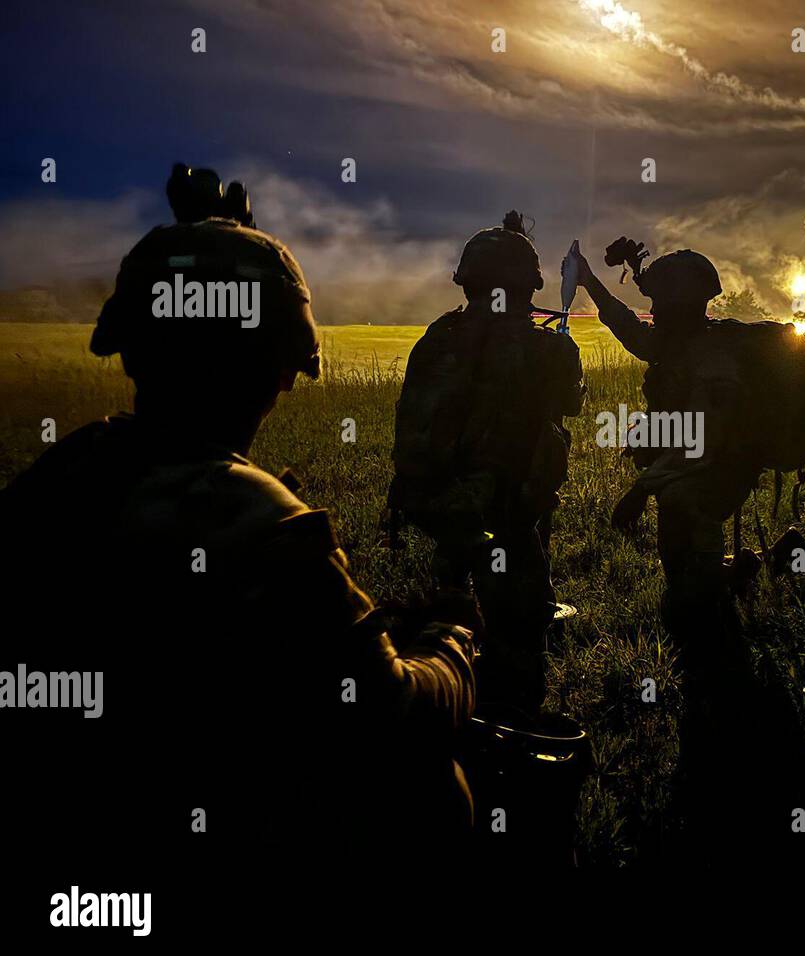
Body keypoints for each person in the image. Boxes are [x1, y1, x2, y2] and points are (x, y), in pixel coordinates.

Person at [0, 165, 477, 890]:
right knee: (435, 786)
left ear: (129, 347)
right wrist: (452, 649)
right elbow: (398, 720)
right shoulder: (260, 525)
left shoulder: (56, 476)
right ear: (283, 369)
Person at [571, 240, 805, 860]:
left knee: (689, 612)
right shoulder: (678, 342)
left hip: (709, 482)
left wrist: (638, 489)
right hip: (685, 479)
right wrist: (593, 284)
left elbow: (703, 445)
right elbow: (628, 330)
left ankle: (723, 611)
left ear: (681, 305)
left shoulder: (712, 364)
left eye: (657, 301)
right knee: (681, 576)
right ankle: (729, 578)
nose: (650, 311)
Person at [387, 212, 585, 717]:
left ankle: (444, 692)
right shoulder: (545, 347)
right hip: (502, 518)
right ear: (527, 284)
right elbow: (570, 405)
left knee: (447, 611)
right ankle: (506, 728)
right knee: (518, 635)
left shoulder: (437, 336)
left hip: (436, 507)